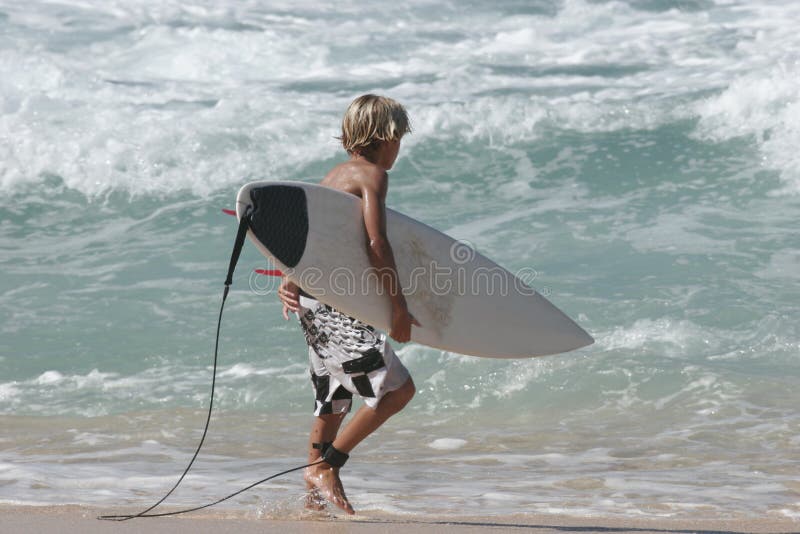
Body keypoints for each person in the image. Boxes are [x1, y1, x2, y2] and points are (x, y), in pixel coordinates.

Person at [277, 95, 419, 515]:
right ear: (385, 137)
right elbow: (377, 243)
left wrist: (291, 278)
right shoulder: (372, 175)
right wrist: (397, 306)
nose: (400, 148)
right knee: (397, 391)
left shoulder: (334, 175)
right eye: (399, 138)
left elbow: (312, 237)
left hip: (316, 301)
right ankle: (328, 466)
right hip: (335, 309)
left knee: (334, 397)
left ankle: (312, 500)